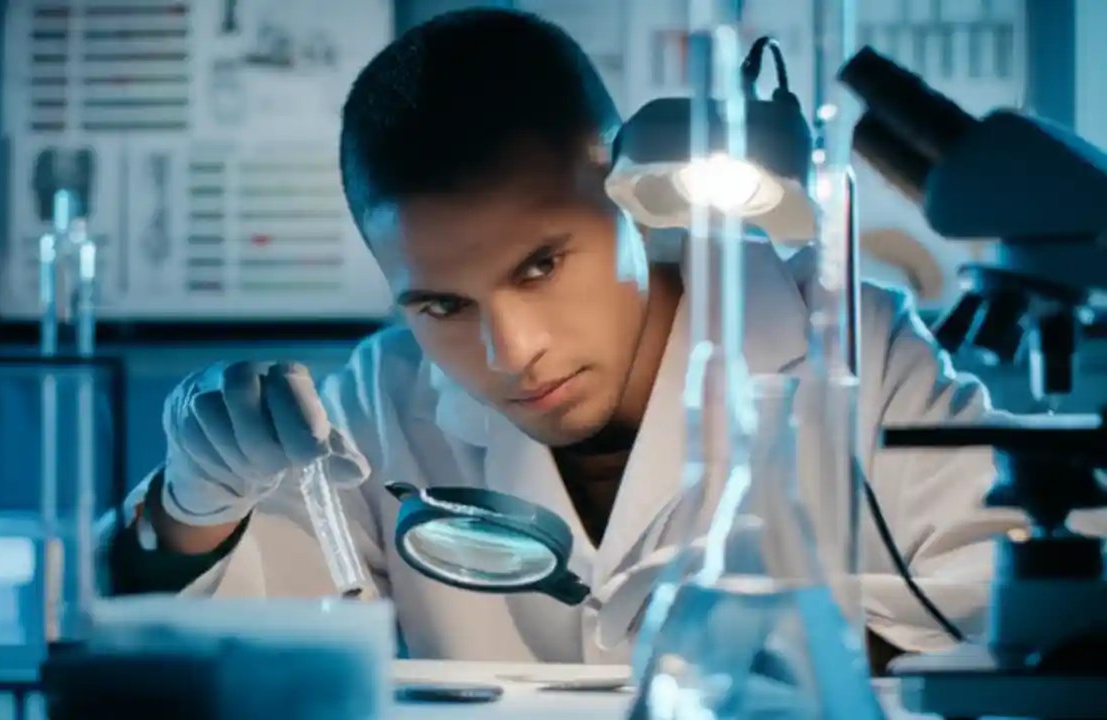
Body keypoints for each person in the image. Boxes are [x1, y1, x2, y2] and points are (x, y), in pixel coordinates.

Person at [105, 8, 1018, 668]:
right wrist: (193, 510)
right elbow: (222, 654)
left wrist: (775, 632)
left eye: (540, 265)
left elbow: (1012, 605)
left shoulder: (849, 340)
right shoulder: (376, 405)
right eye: (441, 307)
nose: (510, 352)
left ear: (634, 192)